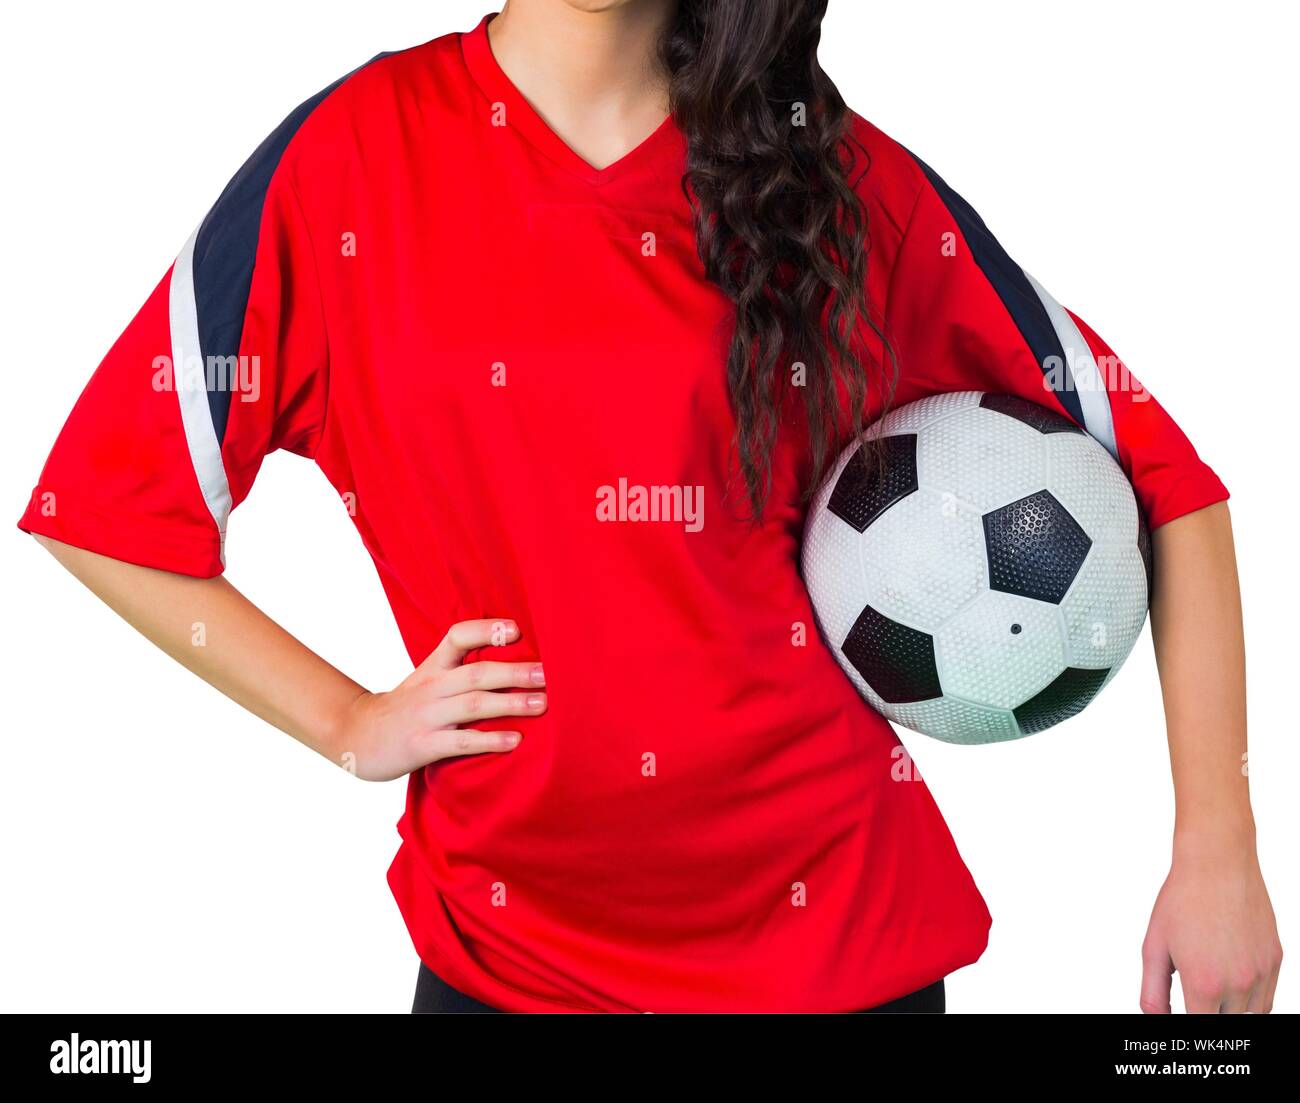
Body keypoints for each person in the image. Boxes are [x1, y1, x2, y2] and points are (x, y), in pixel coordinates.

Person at [17, 0, 1281, 1014]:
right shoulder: (350, 158)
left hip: (830, 949)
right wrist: (349, 720)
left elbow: (1164, 479)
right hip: (507, 956)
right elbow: (104, 506)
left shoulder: (833, 177)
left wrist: (1217, 846)